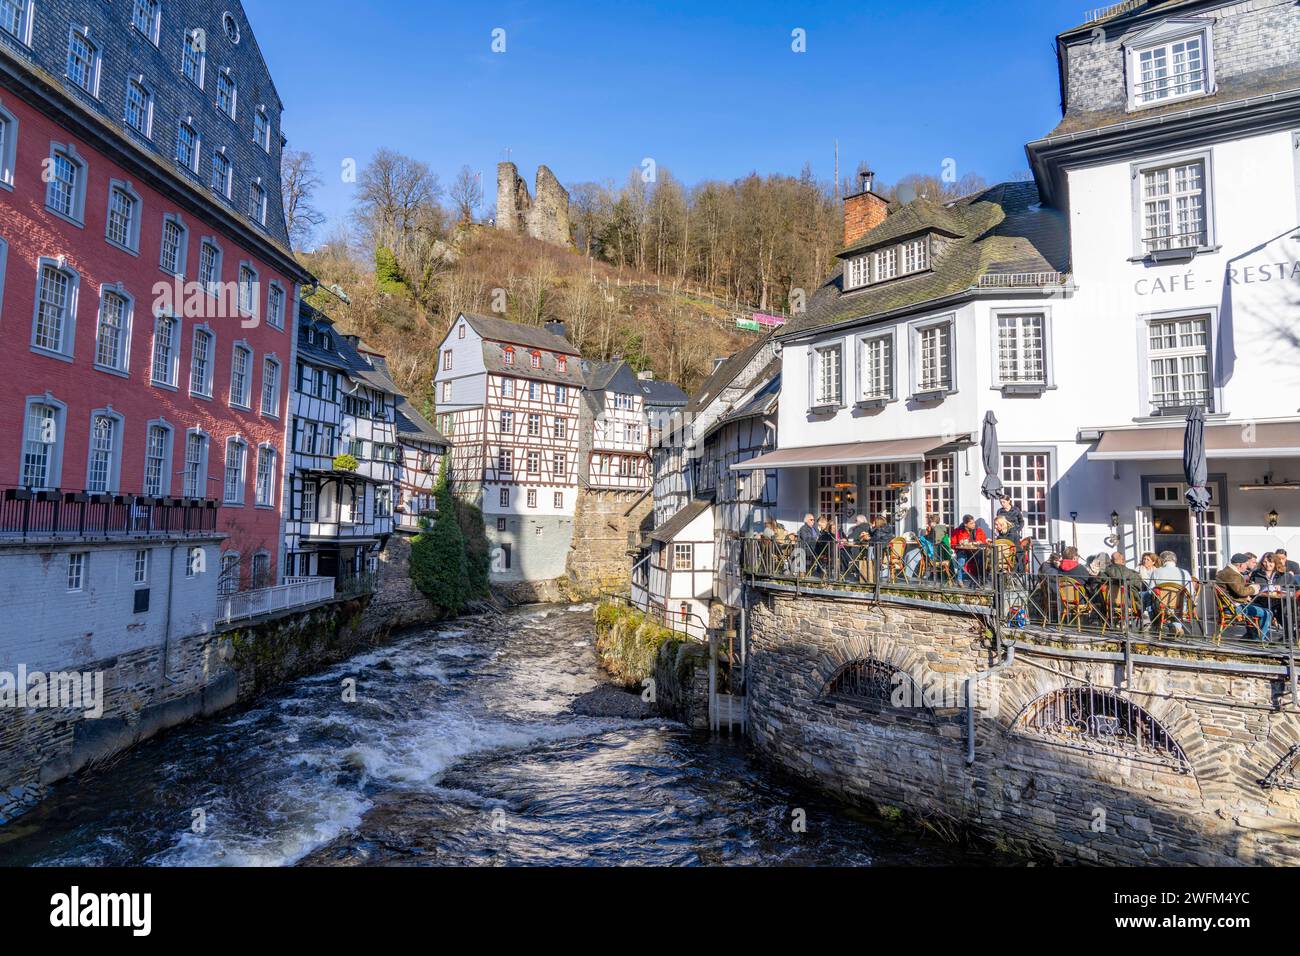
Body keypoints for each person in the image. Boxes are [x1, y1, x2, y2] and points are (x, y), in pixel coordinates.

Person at [1216, 553, 1272, 640]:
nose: (1246, 567)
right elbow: (1241, 592)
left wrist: (1246, 596)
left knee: (1262, 607)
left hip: (1229, 605)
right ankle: (1258, 640)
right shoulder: (1233, 574)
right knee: (1267, 613)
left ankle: (1251, 636)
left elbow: (1234, 591)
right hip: (1234, 608)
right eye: (1246, 564)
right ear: (1240, 565)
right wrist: (1253, 588)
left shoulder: (1226, 571)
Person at [951, 515, 987, 586]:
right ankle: (959, 580)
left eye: (974, 523)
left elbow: (984, 540)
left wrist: (980, 542)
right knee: (961, 560)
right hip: (963, 551)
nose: (974, 524)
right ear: (965, 524)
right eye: (971, 523)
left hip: (975, 552)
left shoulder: (979, 530)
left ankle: (978, 580)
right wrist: (959, 543)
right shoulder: (958, 531)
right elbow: (952, 544)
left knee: (980, 560)